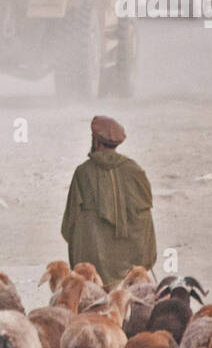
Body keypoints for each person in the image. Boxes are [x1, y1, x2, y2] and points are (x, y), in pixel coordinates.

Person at [60, 116, 157, 289]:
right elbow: (145, 216)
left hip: (94, 269)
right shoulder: (134, 170)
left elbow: (70, 221)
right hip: (131, 265)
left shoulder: (83, 172)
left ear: (96, 141)